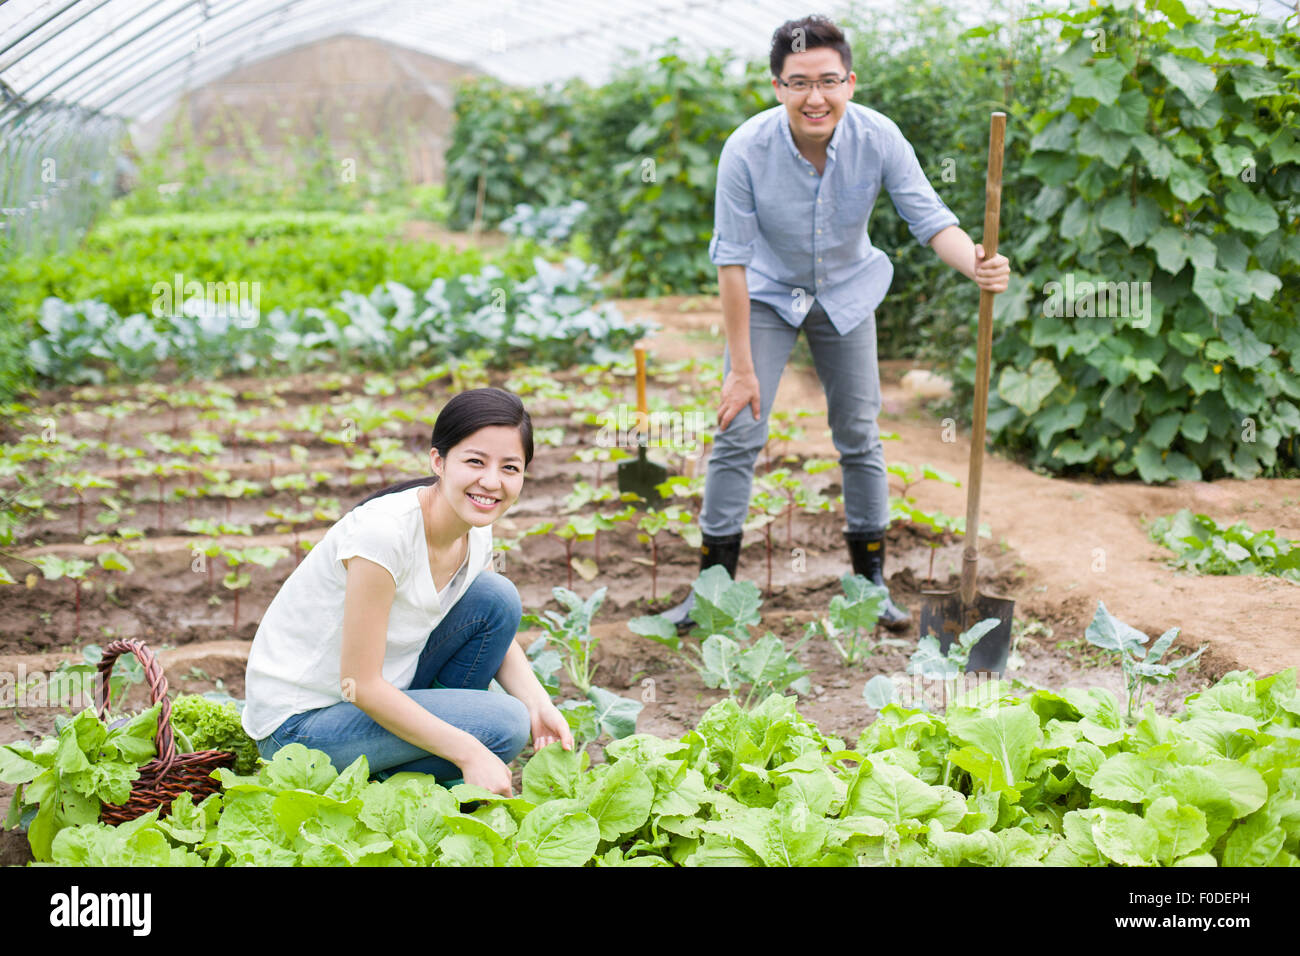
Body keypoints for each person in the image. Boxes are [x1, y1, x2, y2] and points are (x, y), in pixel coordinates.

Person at [663, 14, 1011, 634]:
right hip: (768, 296)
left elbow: (931, 221)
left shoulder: (880, 138)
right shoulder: (746, 149)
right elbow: (733, 263)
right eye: (799, 83)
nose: (815, 97)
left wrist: (978, 264)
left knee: (859, 433)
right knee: (740, 431)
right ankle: (711, 589)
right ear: (777, 87)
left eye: (828, 81)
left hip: (848, 294)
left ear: (850, 82)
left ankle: (870, 586)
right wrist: (741, 371)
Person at [241, 387, 573, 797]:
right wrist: (470, 750)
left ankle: (417, 758)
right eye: (475, 461)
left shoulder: (476, 532)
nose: (492, 481)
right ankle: (409, 773)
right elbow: (359, 684)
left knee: (495, 597)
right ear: (438, 460)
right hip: (300, 728)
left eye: (510, 467)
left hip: (379, 695)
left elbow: (495, 632)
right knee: (503, 725)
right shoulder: (384, 535)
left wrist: (540, 702)